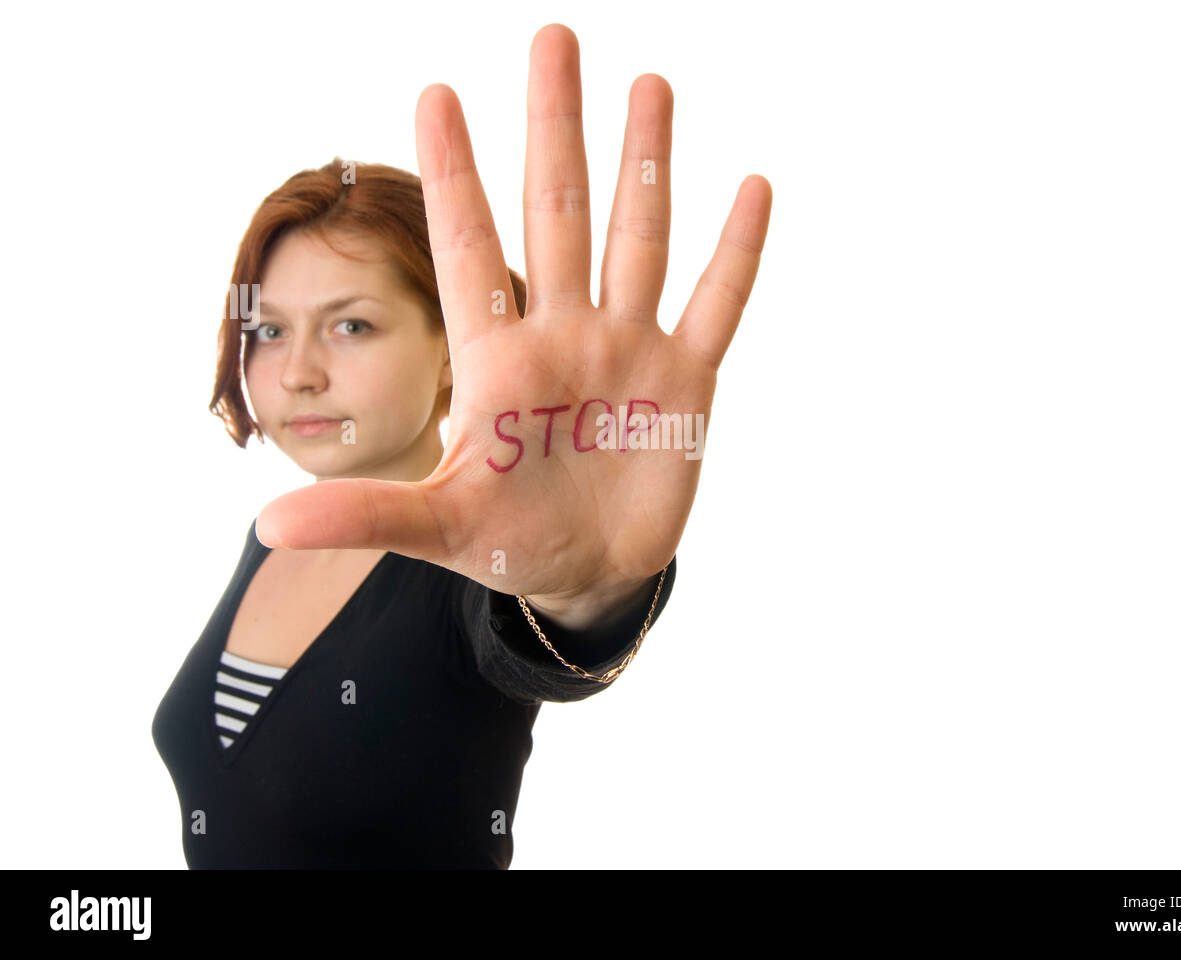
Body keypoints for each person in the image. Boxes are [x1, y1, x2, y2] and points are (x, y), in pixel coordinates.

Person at [152, 23, 772, 868]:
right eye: (266, 329)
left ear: (450, 349)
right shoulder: (270, 540)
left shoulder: (476, 569)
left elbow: (545, 639)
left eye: (351, 325)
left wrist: (593, 594)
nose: (296, 371)